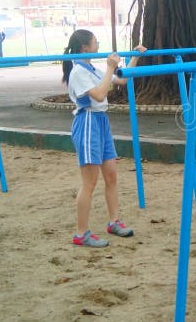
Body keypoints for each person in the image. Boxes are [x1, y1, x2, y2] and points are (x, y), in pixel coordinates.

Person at [61, 29, 147, 248]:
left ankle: (114, 221)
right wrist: (109, 67)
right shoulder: (78, 71)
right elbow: (99, 94)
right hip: (88, 122)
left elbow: (121, 81)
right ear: (85, 48)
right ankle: (81, 234)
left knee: (111, 176)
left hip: (101, 121)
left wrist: (135, 57)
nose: (98, 44)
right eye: (95, 41)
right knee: (89, 182)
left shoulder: (90, 68)